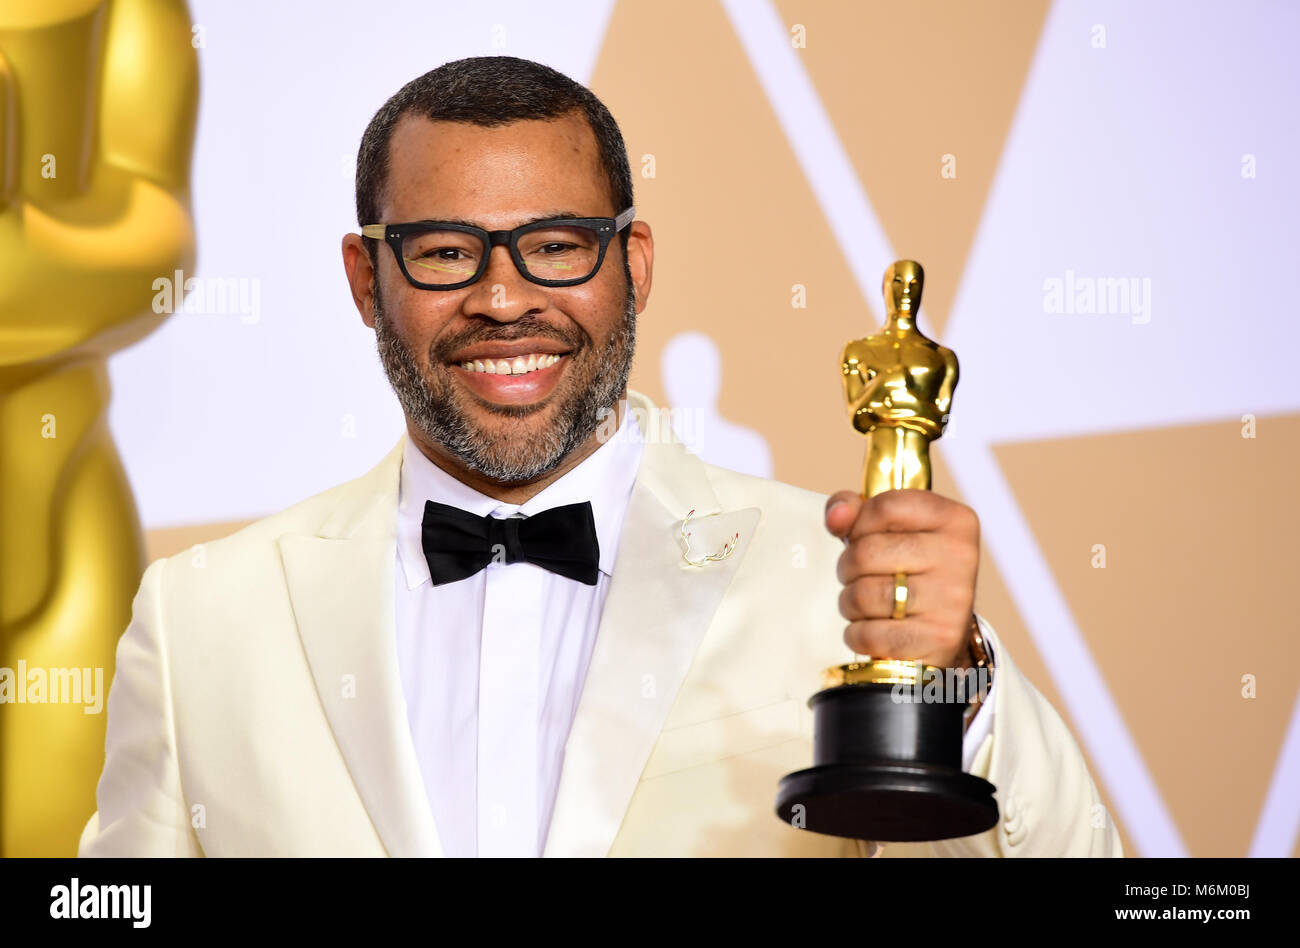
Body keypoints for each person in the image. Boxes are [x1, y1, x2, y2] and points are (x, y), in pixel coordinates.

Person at [79, 56, 1120, 858]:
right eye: (445, 250)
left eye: (559, 244)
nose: (502, 297)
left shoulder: (847, 587)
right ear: (365, 278)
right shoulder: (199, 621)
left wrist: (951, 691)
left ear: (634, 263)